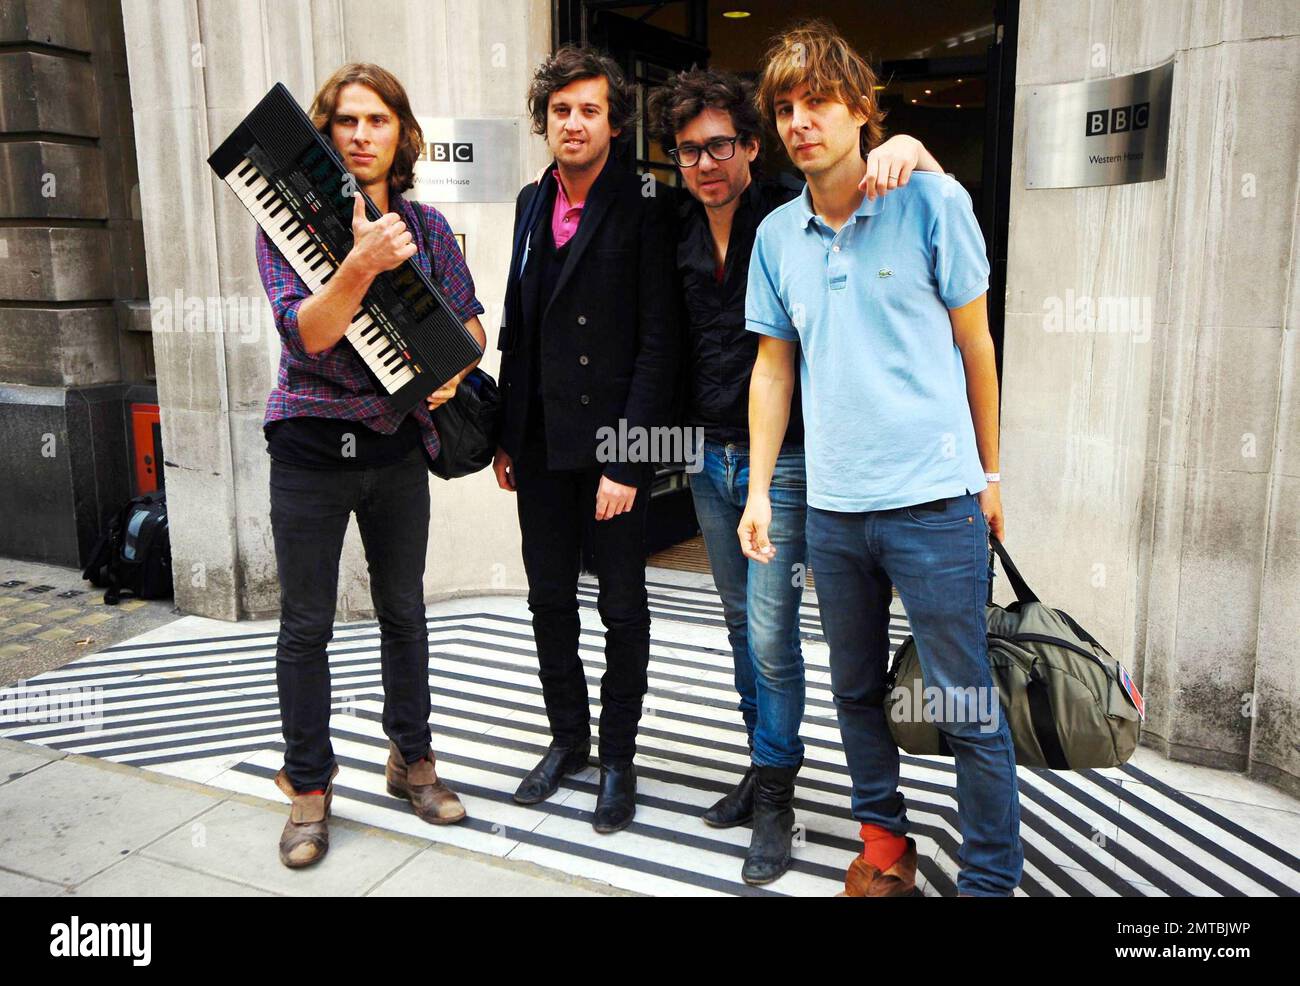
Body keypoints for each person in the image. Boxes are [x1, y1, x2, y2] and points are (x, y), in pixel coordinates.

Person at [740, 21, 1023, 897]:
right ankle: (885, 849)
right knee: (856, 692)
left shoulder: (931, 204)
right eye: (785, 107)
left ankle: (987, 876)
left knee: (965, 703)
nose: (799, 121)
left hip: (935, 503)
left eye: (817, 101)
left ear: (862, 109)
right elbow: (772, 368)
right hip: (833, 510)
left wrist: (992, 477)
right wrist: (759, 490)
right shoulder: (777, 236)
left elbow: (977, 348)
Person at [647, 68, 942, 884]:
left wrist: (912, 146)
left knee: (775, 637)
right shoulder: (673, 228)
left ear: (749, 145)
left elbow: (882, 173)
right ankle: (760, 763)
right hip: (708, 455)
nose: (705, 163)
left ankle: (777, 794)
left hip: (789, 458)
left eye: (720, 145)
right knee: (742, 625)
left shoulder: (789, 214)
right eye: (687, 150)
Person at [255, 63, 486, 868]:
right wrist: (359, 264)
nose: (361, 135)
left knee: (404, 613)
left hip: (394, 448)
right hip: (311, 444)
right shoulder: (286, 221)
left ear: (402, 134)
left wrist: (453, 363)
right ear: (324, 134)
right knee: (306, 626)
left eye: (377, 120)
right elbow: (308, 335)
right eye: (346, 121)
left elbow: (472, 326)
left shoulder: (426, 227)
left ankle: (411, 761)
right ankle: (310, 790)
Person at [493, 46, 678, 833]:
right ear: (546, 119)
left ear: (613, 122)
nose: (574, 122)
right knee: (546, 602)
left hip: (612, 453)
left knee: (622, 607)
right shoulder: (532, 201)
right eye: (562, 109)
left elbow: (659, 345)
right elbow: (518, 328)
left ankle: (619, 758)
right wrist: (506, 434)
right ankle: (568, 739)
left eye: (590, 110)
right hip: (538, 446)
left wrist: (630, 457)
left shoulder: (646, 203)